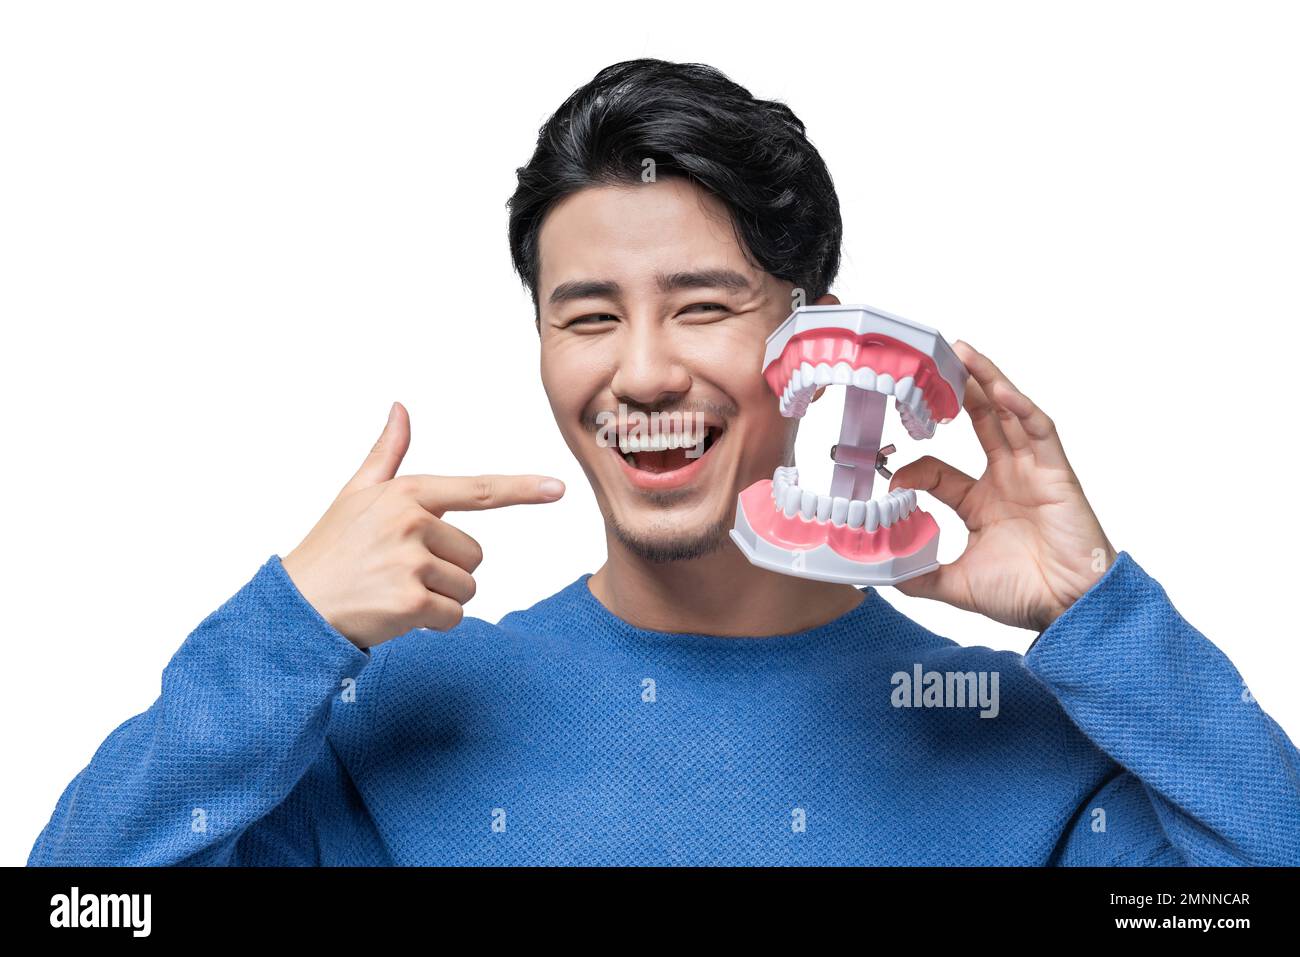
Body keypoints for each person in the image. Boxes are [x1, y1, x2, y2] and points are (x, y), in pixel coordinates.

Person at [29, 59, 1299, 866]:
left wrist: (1103, 618)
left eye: (701, 306)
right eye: (587, 316)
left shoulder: (997, 730)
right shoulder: (405, 722)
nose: (639, 372)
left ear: (817, 340)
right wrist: (282, 633)